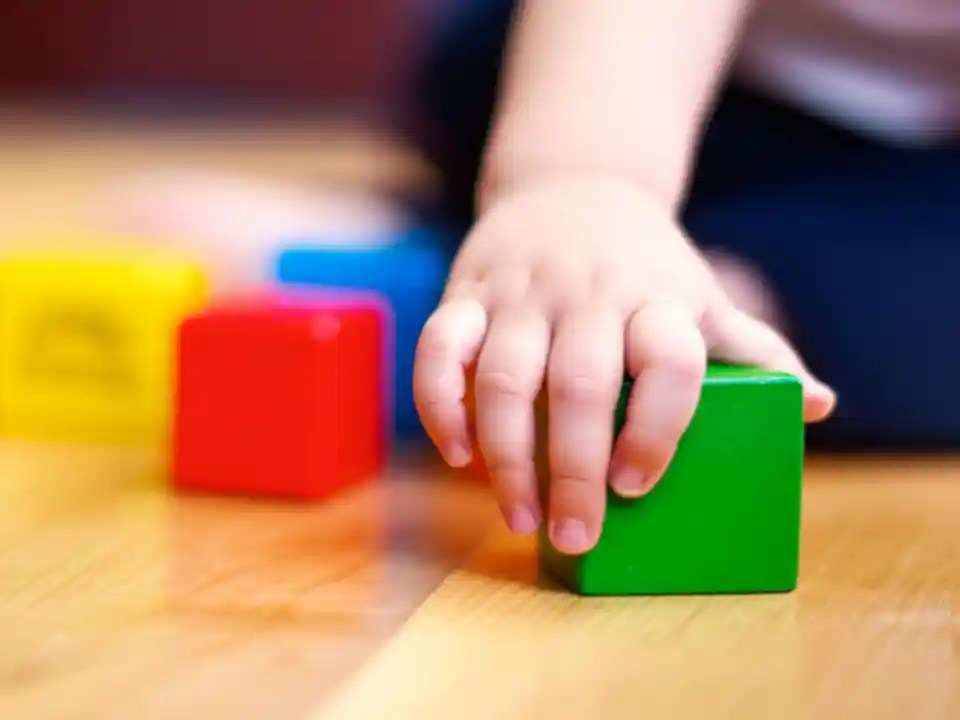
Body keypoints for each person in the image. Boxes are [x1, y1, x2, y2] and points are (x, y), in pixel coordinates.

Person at [410, 0, 960, 553]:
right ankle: (558, 271)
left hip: (919, 177)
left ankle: (676, 314)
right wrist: (580, 183)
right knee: (552, 194)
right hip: (601, 65)